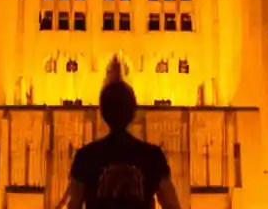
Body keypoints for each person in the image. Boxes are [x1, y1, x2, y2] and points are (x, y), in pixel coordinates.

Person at [66, 80, 182, 209]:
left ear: (103, 113)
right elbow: (171, 204)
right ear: (133, 112)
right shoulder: (152, 156)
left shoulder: (86, 157)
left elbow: (74, 204)